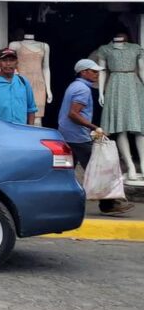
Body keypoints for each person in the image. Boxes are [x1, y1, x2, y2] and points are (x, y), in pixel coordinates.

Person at [60, 59, 135, 216]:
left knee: (65, 171)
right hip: (78, 137)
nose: (96, 74)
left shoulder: (75, 86)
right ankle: (108, 205)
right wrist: (95, 128)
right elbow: (73, 113)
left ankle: (61, 202)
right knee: (100, 170)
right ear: (83, 72)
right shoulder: (83, 90)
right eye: (93, 71)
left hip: (68, 135)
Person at [0, 49, 38, 125]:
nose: (8, 63)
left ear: (16, 63)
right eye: (4, 60)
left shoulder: (23, 82)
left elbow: (31, 108)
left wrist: (31, 130)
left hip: (20, 131)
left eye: (11, 60)